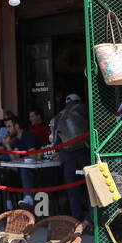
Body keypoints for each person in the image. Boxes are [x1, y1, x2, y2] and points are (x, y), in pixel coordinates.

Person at [53, 93, 90, 224]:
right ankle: (90, 220)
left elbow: (55, 138)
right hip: (84, 153)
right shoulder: (85, 109)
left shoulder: (60, 115)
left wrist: (58, 152)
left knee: (72, 191)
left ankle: (76, 220)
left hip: (67, 156)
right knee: (92, 186)